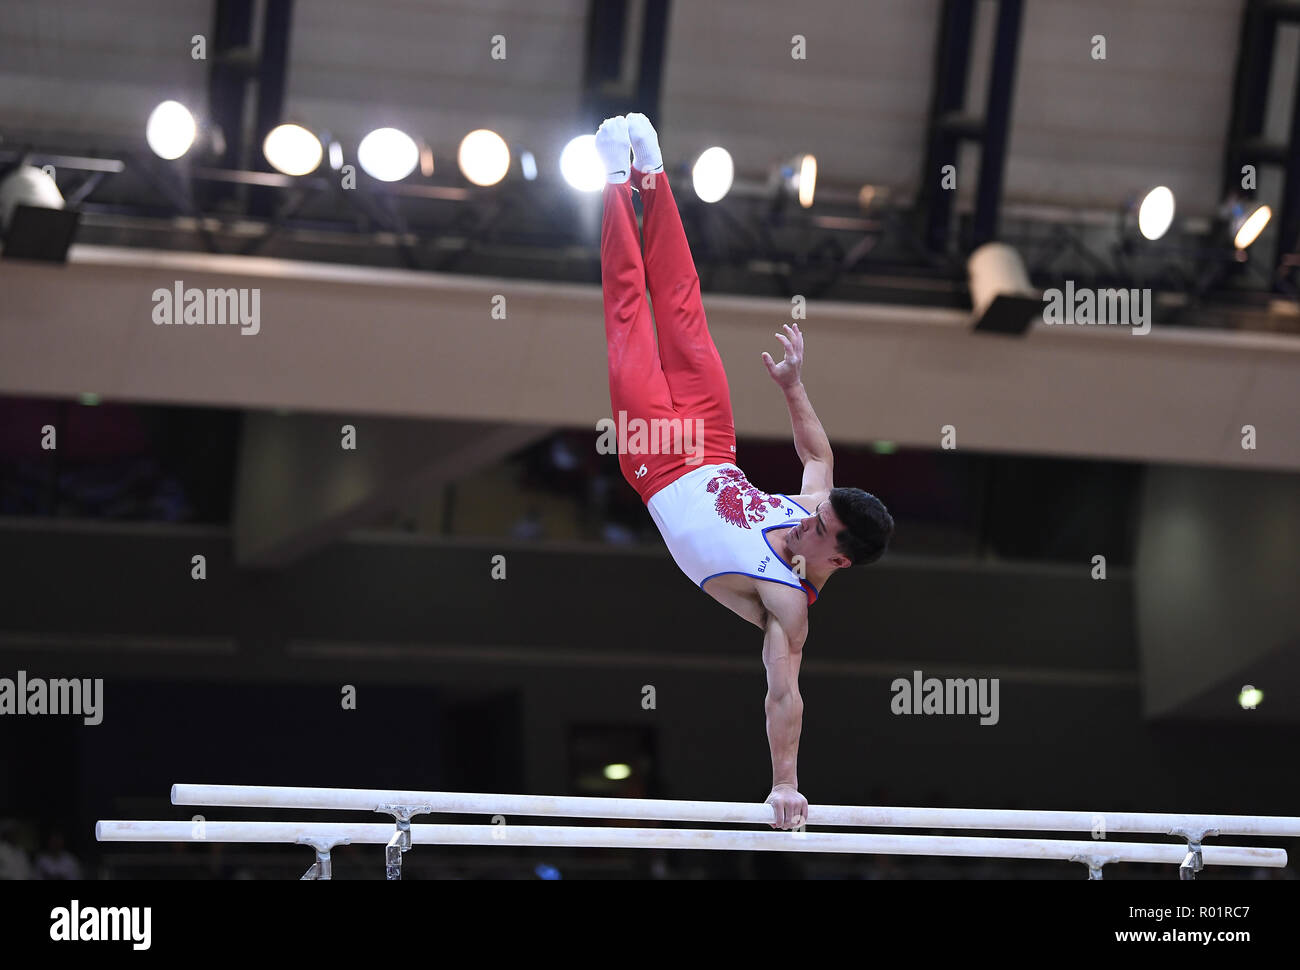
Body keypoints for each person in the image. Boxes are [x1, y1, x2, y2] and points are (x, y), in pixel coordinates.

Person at [594, 114, 894, 830]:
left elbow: (783, 697)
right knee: (684, 310)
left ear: (838, 560)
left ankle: (610, 185)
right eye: (815, 512)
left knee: (630, 318)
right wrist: (793, 386)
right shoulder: (812, 512)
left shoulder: (788, 608)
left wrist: (784, 784)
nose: (804, 517)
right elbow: (817, 458)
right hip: (711, 441)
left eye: (818, 525)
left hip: (659, 463)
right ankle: (654, 177)